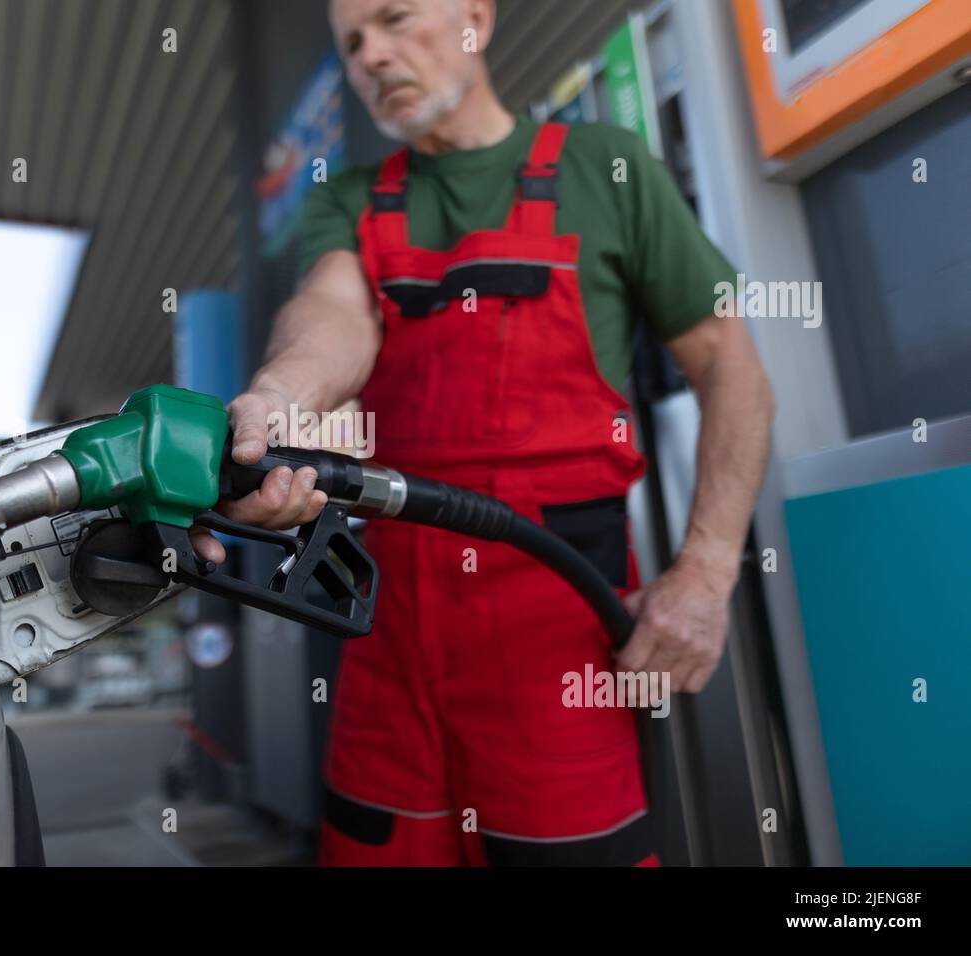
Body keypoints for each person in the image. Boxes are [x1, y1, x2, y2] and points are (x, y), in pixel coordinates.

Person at [190, 0, 774, 866]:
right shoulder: (353, 198)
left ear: (475, 17)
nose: (372, 56)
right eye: (352, 43)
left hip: (559, 625)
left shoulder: (603, 167)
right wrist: (280, 395)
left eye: (394, 20)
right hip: (386, 623)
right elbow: (333, 315)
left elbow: (734, 369)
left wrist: (709, 566)